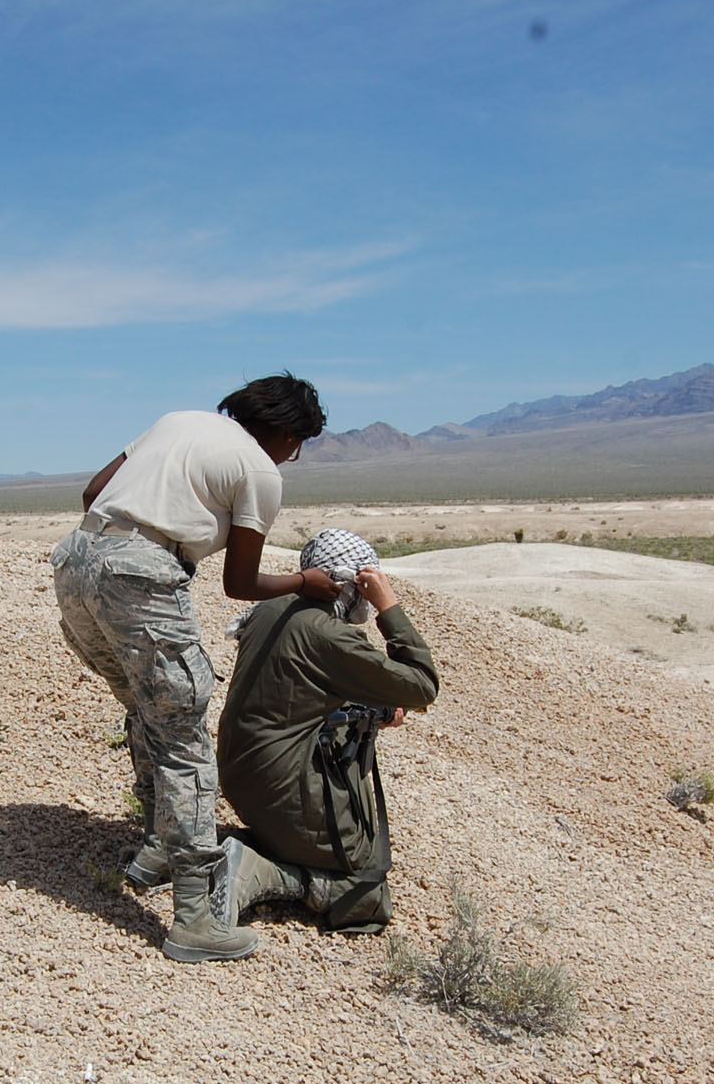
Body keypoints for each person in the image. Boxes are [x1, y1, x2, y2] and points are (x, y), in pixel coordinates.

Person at [51, 375, 337, 964]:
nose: (292, 455)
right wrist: (304, 582)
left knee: (147, 709)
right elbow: (241, 582)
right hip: (141, 578)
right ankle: (195, 919)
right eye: (297, 444)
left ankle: (156, 848)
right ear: (287, 433)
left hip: (76, 564)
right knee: (184, 738)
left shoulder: (177, 421)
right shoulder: (259, 471)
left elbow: (92, 492)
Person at [215, 529, 439, 935]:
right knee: (366, 883)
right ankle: (269, 872)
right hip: (281, 789)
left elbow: (297, 691)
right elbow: (423, 685)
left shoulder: (272, 610)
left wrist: (371, 707)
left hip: (243, 778)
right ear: (352, 584)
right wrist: (388, 606)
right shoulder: (328, 633)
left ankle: (269, 846)